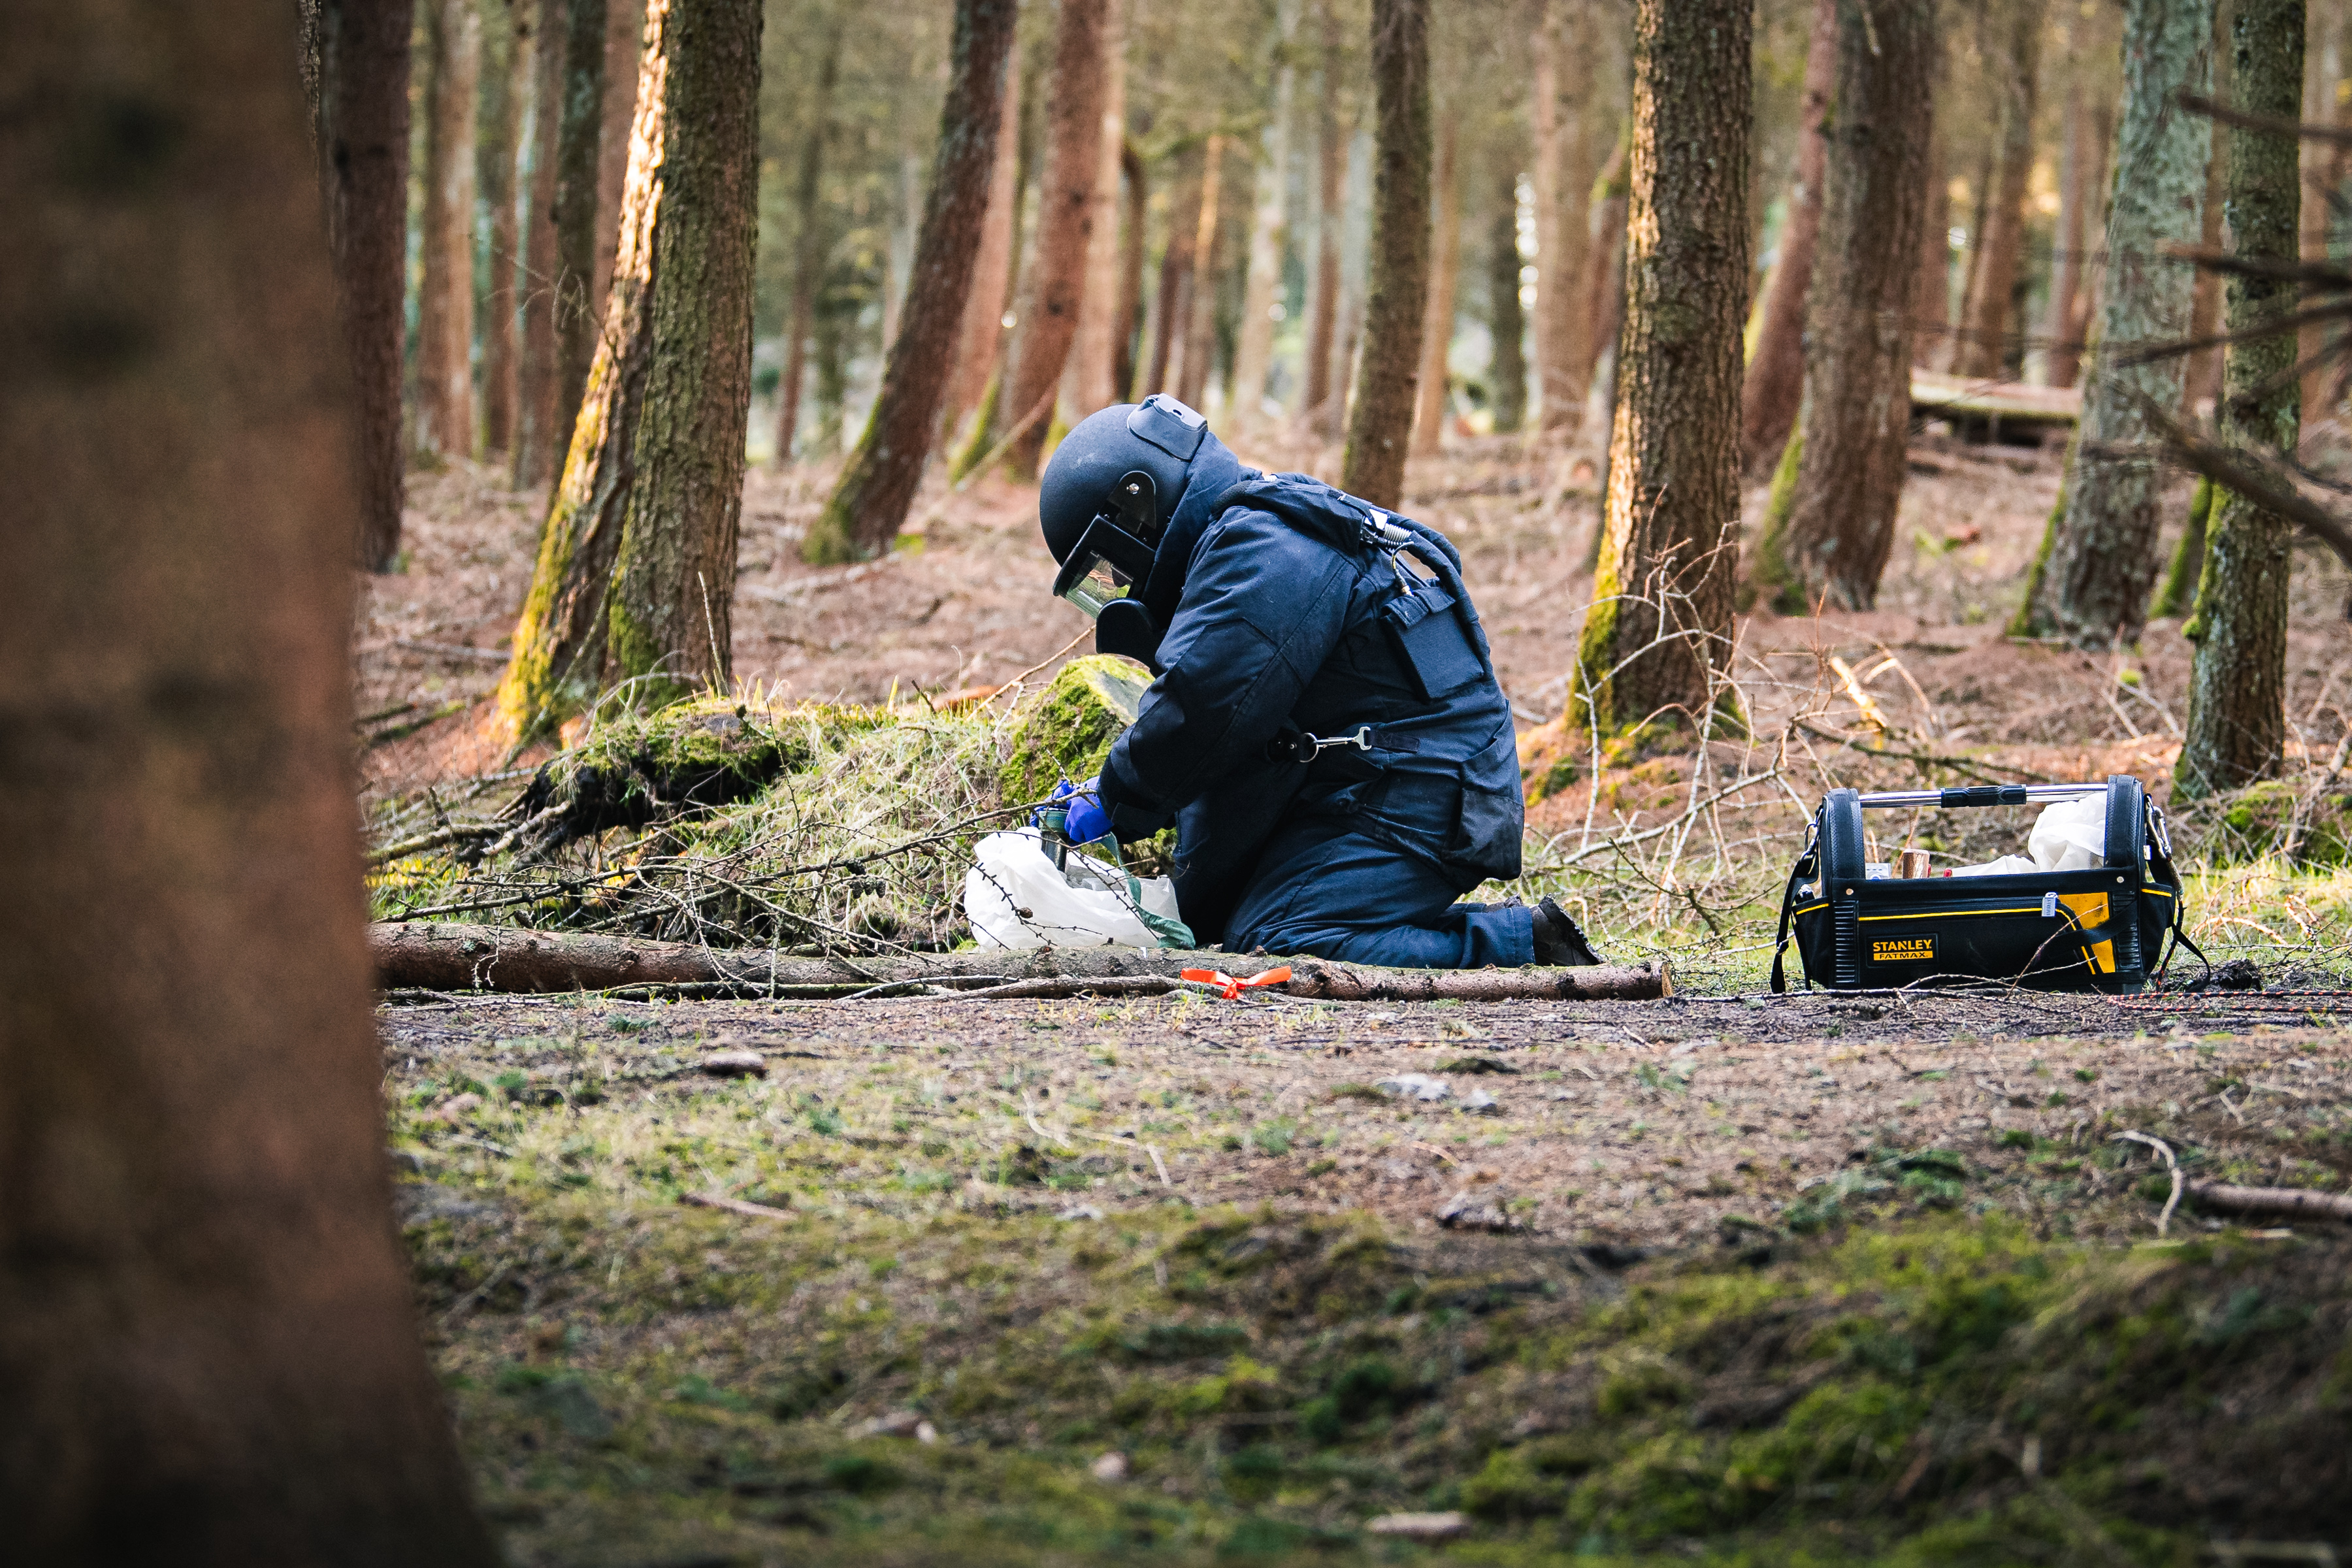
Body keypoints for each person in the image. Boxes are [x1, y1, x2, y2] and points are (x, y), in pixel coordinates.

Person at [1036, 394, 1600, 970]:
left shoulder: (1263, 549)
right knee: (1229, 929)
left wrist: (1113, 797)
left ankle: (1524, 945)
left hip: (1425, 795)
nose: (1117, 591)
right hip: (1381, 785)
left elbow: (1203, 709)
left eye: (1110, 571)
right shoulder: (1256, 534)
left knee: (1279, 940)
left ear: (1140, 505)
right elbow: (1235, 757)